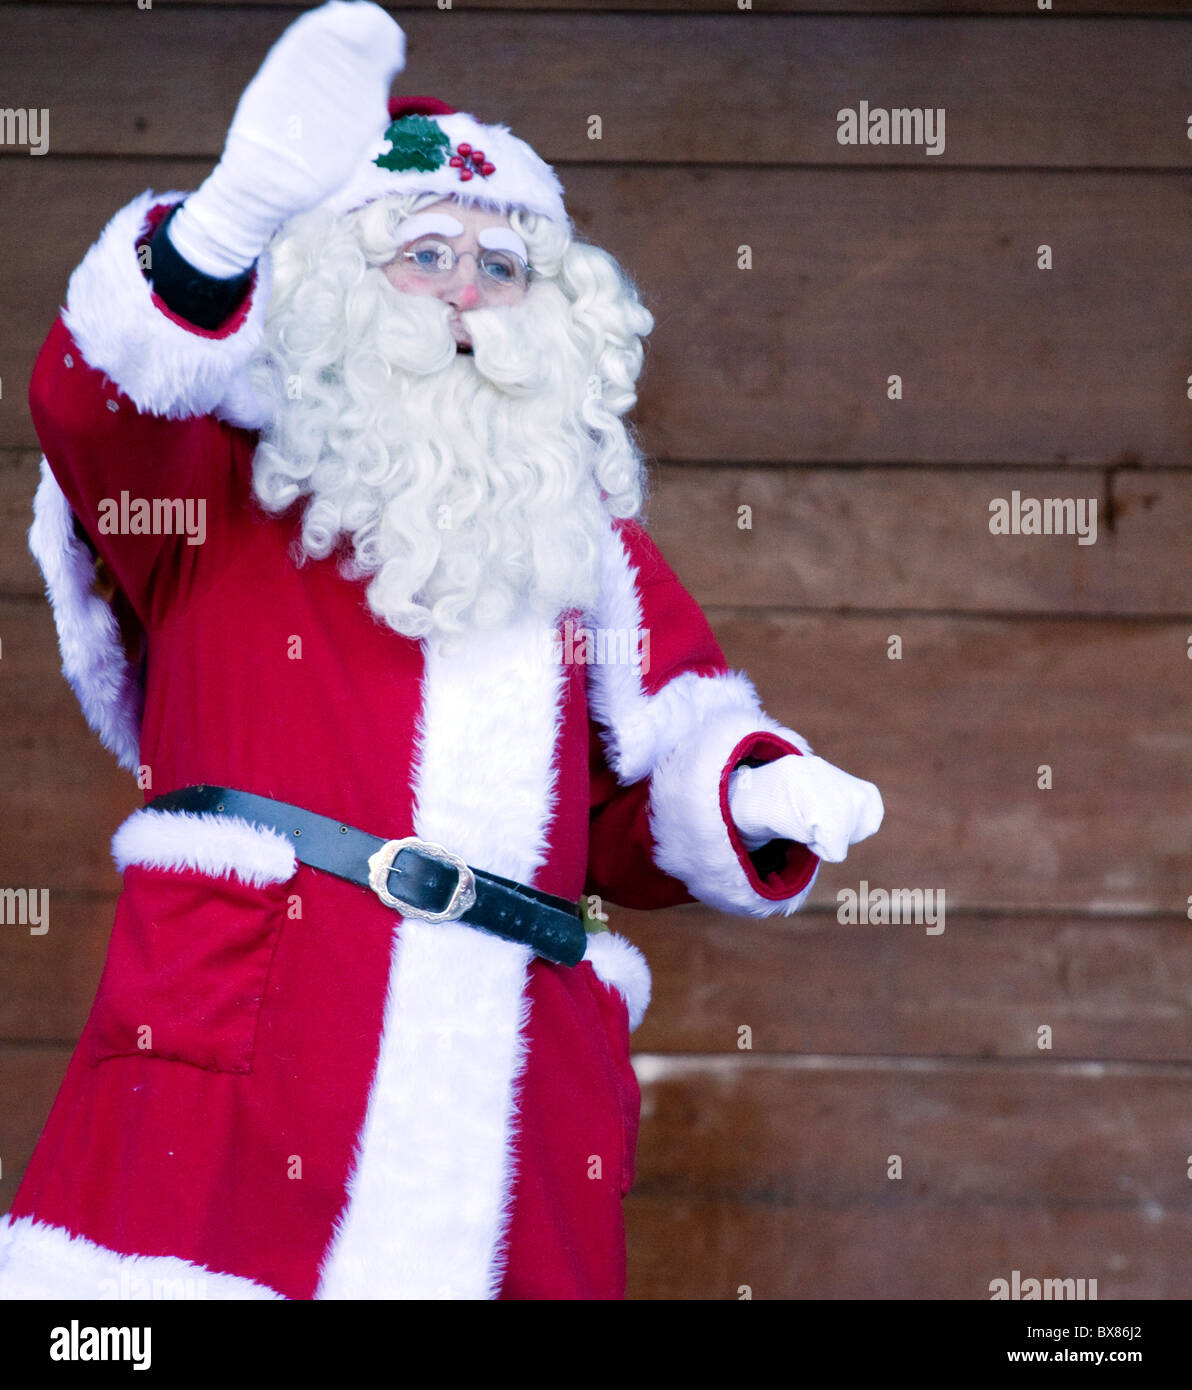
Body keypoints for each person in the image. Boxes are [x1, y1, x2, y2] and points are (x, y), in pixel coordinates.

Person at [0, 0, 883, 1300]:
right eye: (425, 251)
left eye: (504, 263)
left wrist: (744, 793)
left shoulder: (581, 539)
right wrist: (222, 230)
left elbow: (630, 804)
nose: (470, 286)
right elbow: (92, 403)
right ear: (336, 274)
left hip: (508, 1118)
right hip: (251, 1067)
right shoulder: (217, 480)